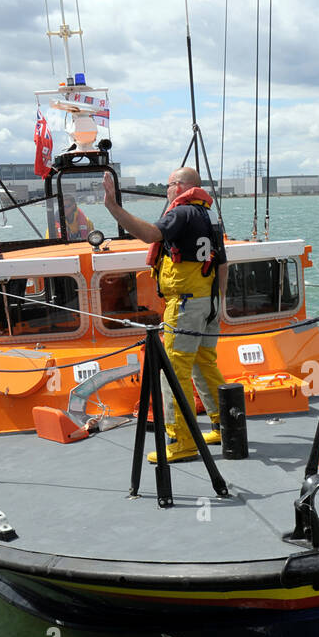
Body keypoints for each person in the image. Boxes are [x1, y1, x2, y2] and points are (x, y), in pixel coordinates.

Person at [103, 167, 225, 463]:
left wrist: (113, 207)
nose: (167, 191)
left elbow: (150, 235)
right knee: (203, 362)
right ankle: (225, 424)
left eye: (169, 185)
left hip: (185, 305)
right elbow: (221, 262)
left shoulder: (181, 213)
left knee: (173, 370)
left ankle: (181, 440)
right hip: (208, 303)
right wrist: (219, 301)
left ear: (180, 187)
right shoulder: (210, 217)